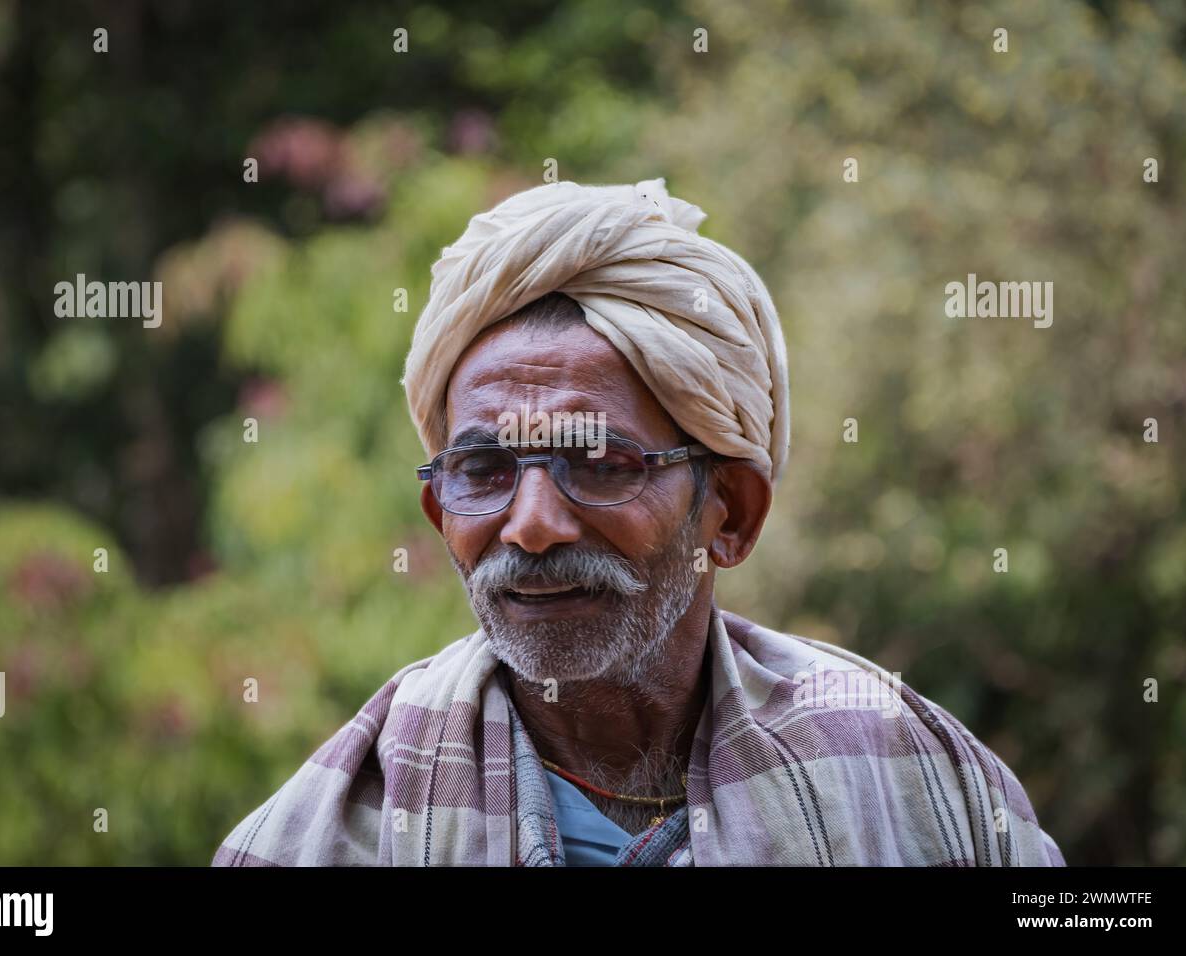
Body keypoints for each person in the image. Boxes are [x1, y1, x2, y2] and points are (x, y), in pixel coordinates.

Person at [212, 178, 1064, 866]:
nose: (532, 525)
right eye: (484, 470)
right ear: (441, 513)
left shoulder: (909, 779)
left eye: (600, 464)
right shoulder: (320, 835)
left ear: (729, 514)